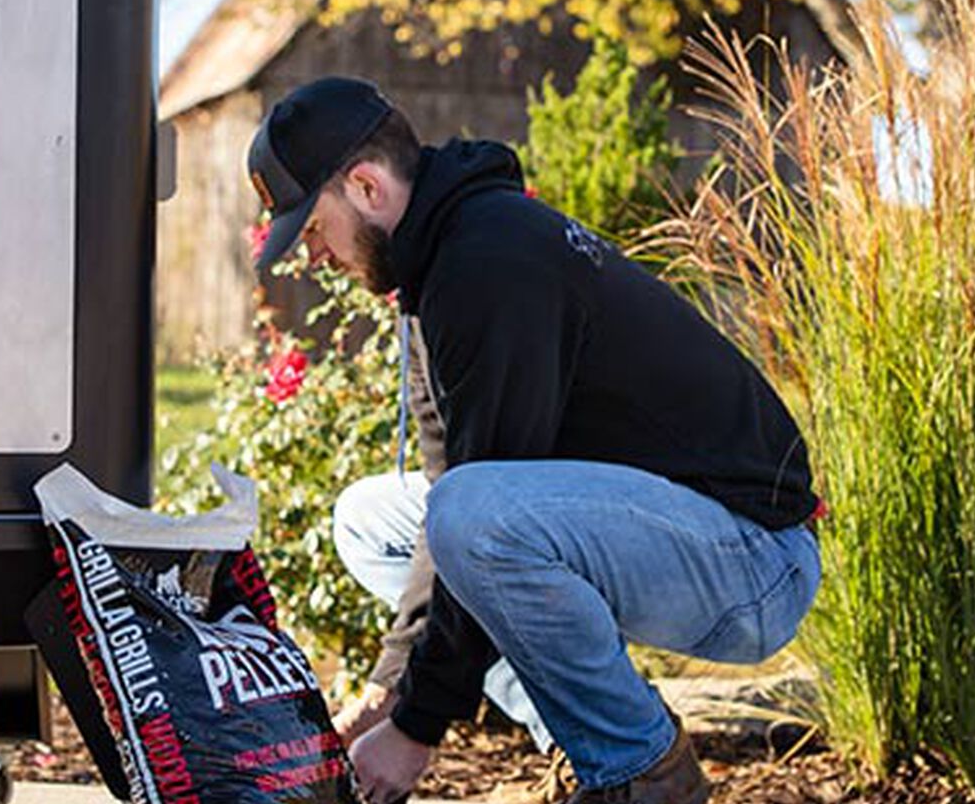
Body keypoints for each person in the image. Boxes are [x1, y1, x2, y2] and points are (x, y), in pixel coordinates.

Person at [245, 77, 823, 804]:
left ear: (364, 187)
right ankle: (585, 743)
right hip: (668, 534)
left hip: (751, 561)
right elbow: (449, 496)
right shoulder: (437, 269)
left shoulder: (489, 265)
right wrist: (385, 694)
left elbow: (476, 510)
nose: (315, 257)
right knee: (372, 520)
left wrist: (415, 731)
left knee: (470, 517)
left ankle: (639, 769)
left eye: (313, 230)